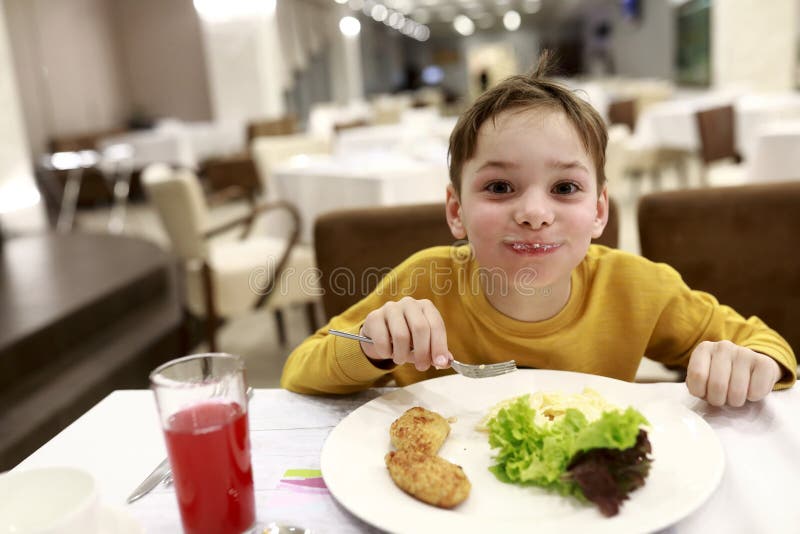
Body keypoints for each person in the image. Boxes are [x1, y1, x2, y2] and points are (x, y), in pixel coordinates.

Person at [280, 52, 796, 406]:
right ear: (456, 210)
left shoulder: (639, 288)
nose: (533, 211)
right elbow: (300, 372)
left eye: (565, 188)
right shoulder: (423, 282)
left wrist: (751, 365)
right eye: (500, 187)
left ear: (599, 212)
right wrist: (371, 345)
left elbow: (767, 346)